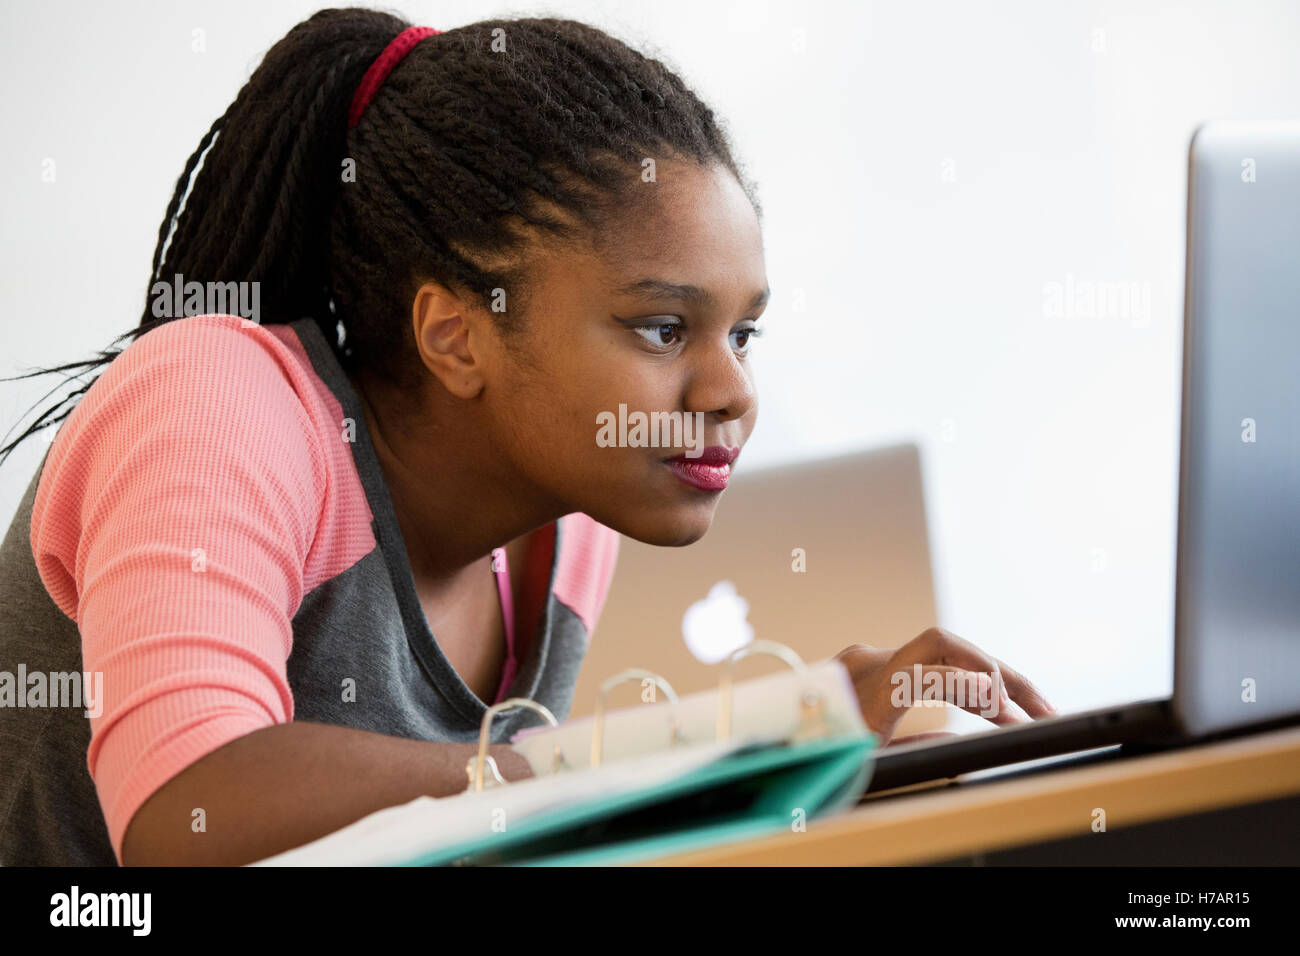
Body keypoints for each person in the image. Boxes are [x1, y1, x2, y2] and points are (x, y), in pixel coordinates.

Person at [0, 8, 1055, 867]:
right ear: (455, 335)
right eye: (660, 326)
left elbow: (480, 831)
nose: (731, 390)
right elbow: (190, 811)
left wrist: (814, 754)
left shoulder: (568, 527)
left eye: (743, 332)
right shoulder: (219, 397)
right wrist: (737, 744)